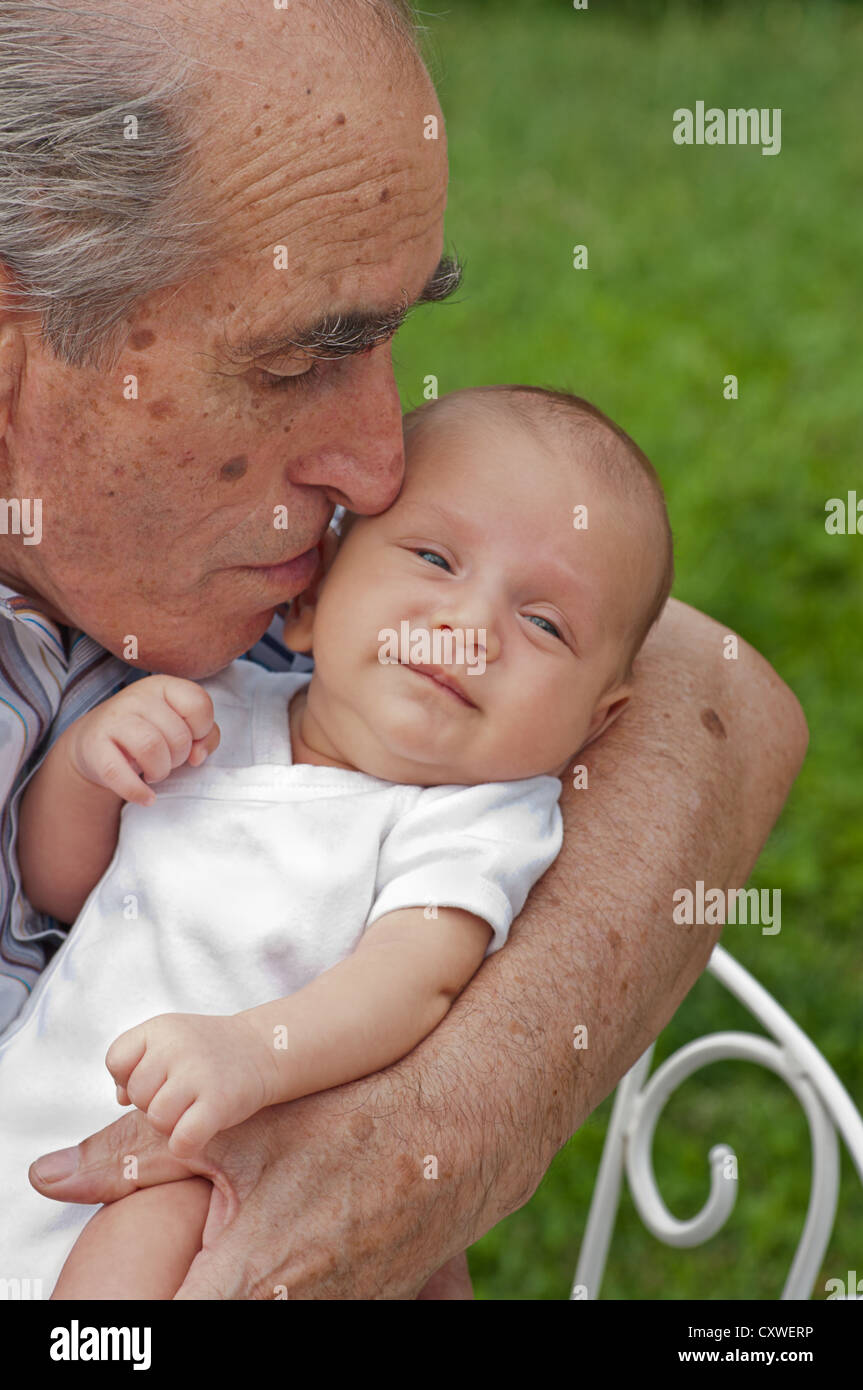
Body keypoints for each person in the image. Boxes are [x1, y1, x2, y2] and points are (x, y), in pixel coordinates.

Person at [0, 2, 807, 1300]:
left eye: (384, 336)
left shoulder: (295, 592)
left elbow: (712, 689)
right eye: (304, 357)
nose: (380, 465)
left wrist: (415, 1137)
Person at [5, 384, 671, 1299]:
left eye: (545, 623)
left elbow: (411, 979)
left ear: (595, 725)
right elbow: (57, 883)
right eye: (435, 558)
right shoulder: (219, 708)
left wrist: (254, 1051)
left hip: (203, 1165)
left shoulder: (472, 819)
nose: (469, 629)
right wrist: (89, 769)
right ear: (310, 601)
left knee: (149, 1239)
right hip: (33, 1117)